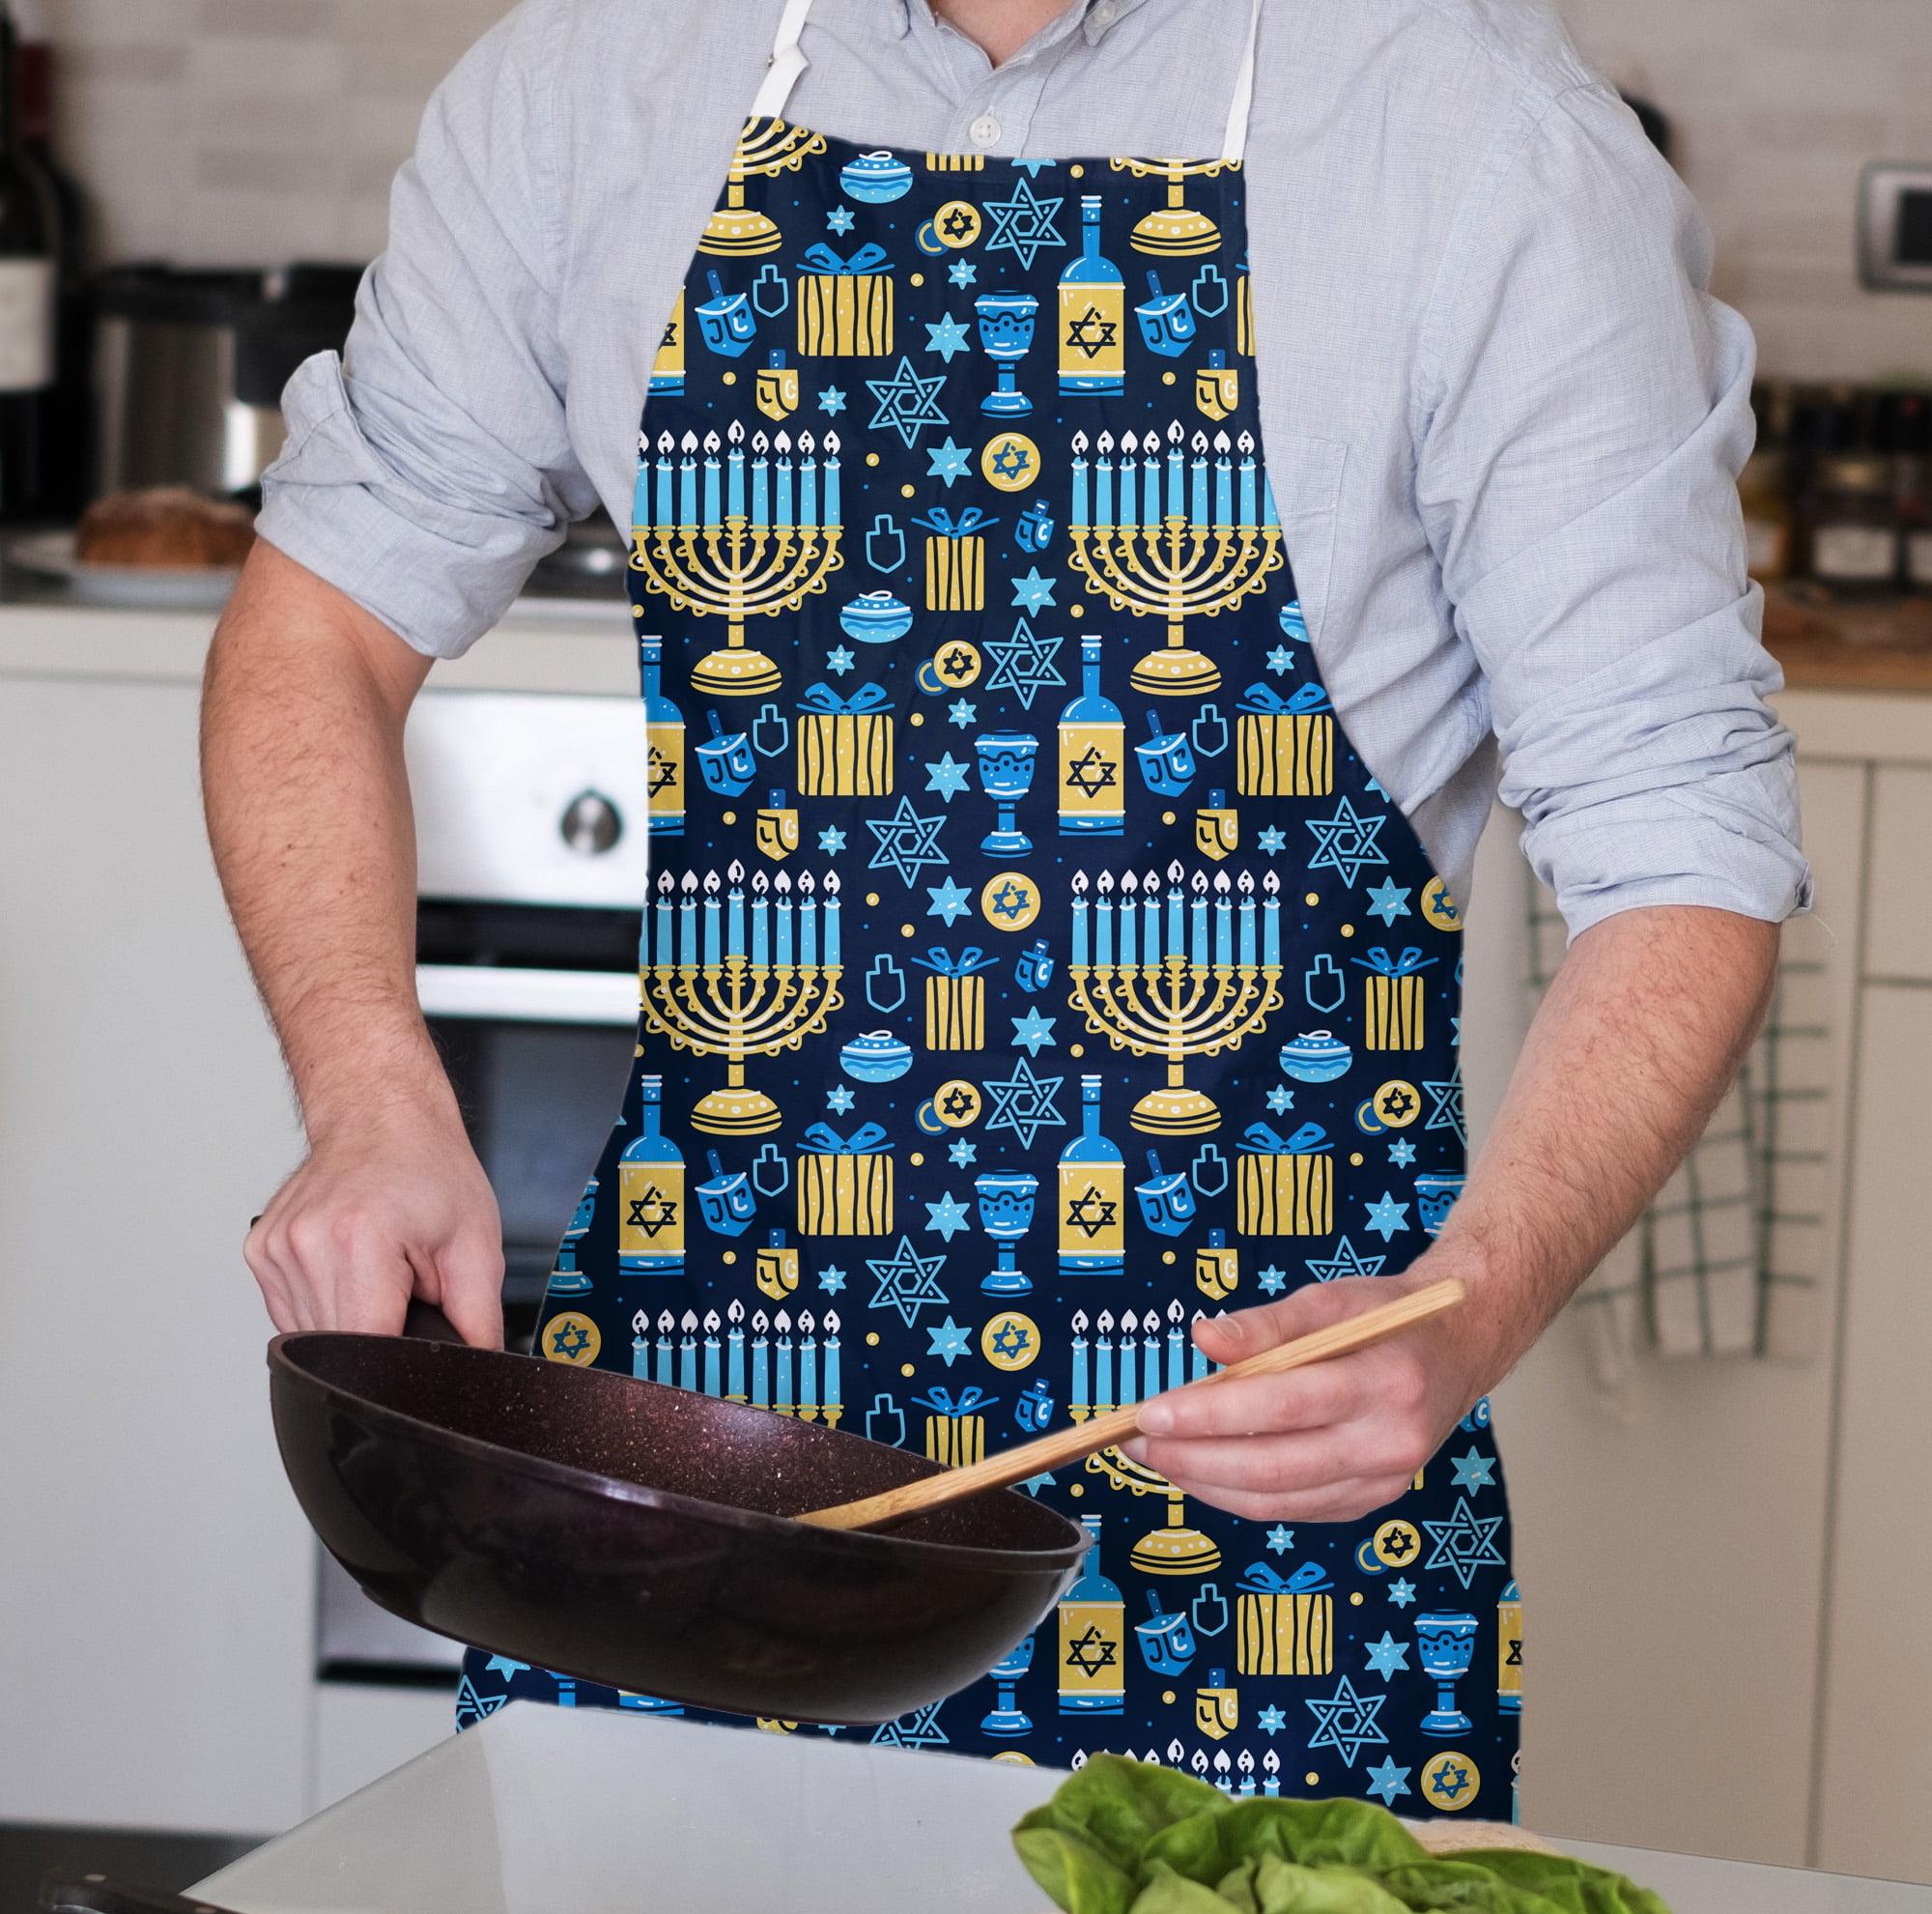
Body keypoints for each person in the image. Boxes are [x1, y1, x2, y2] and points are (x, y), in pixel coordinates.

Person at [203, 0, 1804, 1814]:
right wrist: (365, 1089)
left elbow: (1684, 832)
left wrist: (1480, 1298)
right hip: (697, 1476)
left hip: (1253, 1504)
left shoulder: (1489, 143)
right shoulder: (593, 82)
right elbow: (319, 615)